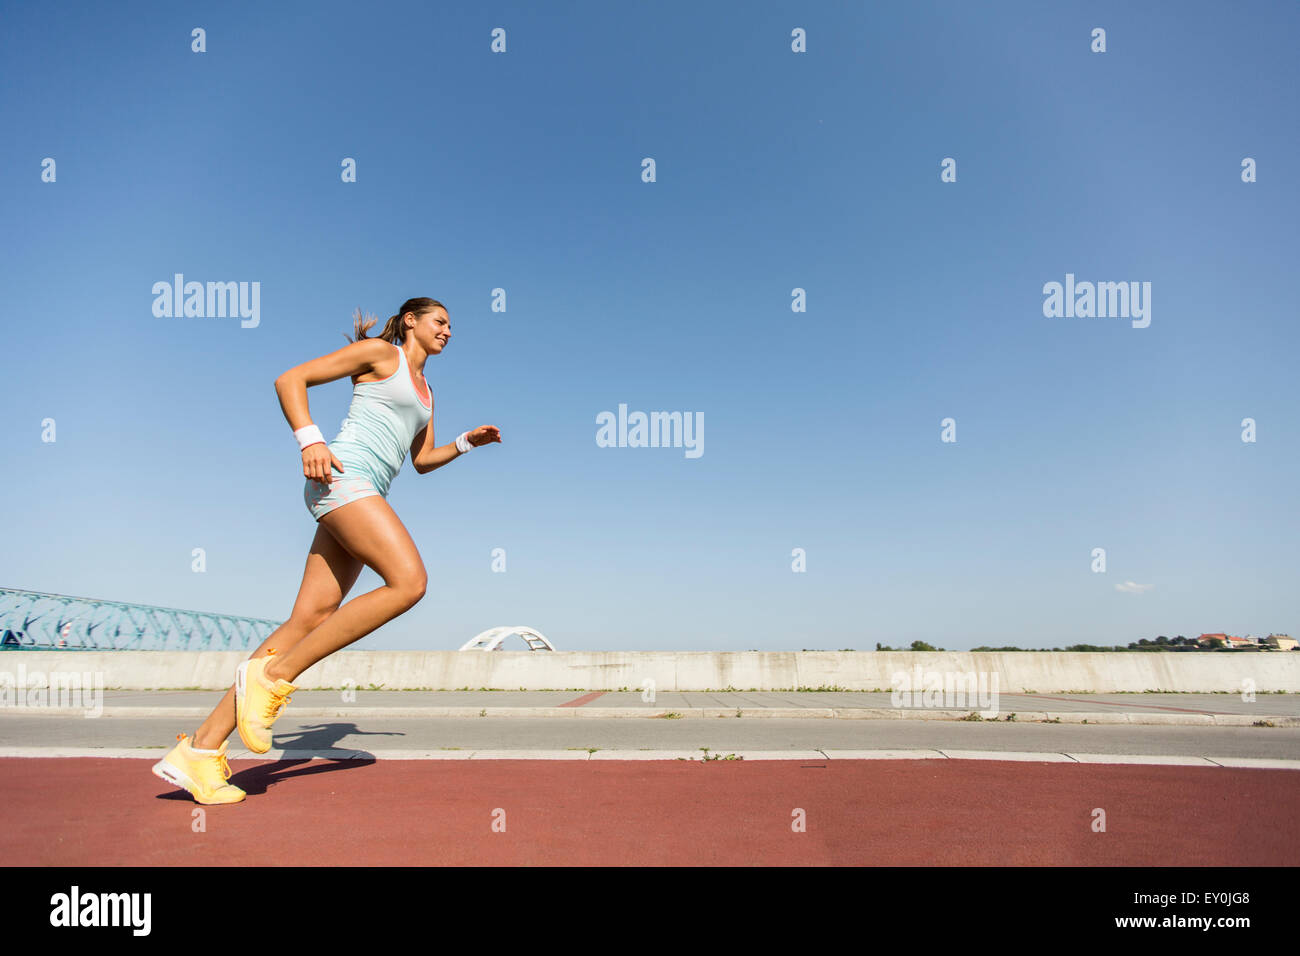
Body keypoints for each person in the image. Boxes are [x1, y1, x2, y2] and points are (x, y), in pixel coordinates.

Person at [151, 297, 500, 804]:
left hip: (364, 493)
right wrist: (310, 440)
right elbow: (290, 380)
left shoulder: (427, 392)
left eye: (451, 325)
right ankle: (275, 675)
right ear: (411, 321)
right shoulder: (380, 355)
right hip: (342, 478)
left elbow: (421, 459)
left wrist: (468, 442)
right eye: (440, 321)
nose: (448, 330)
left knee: (307, 619)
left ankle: (200, 752)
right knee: (409, 582)